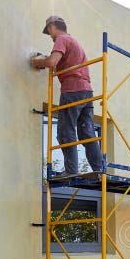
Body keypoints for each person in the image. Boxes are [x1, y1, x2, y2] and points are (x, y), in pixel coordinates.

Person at [31, 15, 102, 177]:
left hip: (72, 90)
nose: (50, 36)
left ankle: (71, 170)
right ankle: (99, 170)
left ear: (52, 27)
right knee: (87, 133)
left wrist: (38, 62)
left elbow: (51, 62)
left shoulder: (61, 39)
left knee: (65, 131)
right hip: (86, 91)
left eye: (49, 32)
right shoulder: (75, 42)